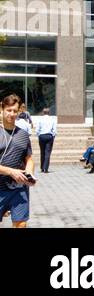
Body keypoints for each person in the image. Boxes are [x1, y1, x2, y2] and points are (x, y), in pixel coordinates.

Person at [0, 94, 35, 227]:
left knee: (21, 224)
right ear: (2, 109)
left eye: (15, 111)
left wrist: (29, 174)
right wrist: (10, 172)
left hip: (19, 189)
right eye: (9, 110)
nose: (12, 114)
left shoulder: (23, 134)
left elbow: (29, 159)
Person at [31, 108, 56, 174]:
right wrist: (53, 136)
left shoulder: (40, 119)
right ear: (49, 112)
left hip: (42, 136)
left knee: (42, 152)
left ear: (43, 112)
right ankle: (46, 168)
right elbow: (54, 130)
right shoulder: (52, 119)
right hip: (49, 136)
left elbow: (37, 129)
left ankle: (42, 167)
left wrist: (38, 135)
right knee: (47, 152)